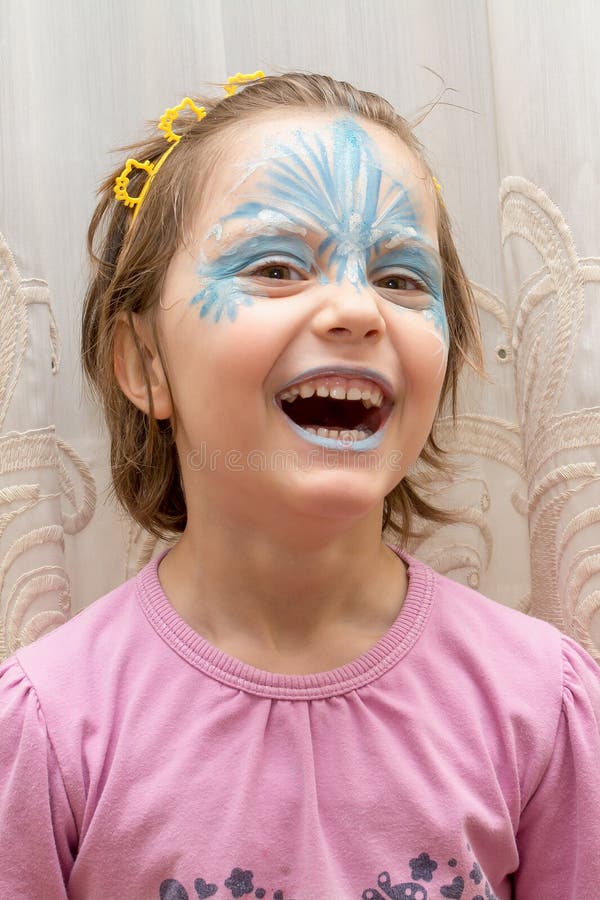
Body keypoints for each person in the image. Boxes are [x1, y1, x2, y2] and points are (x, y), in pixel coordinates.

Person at [1, 71, 599, 900]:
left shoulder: (542, 700)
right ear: (143, 363)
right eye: (278, 267)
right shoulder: (50, 727)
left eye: (400, 280)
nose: (356, 308)